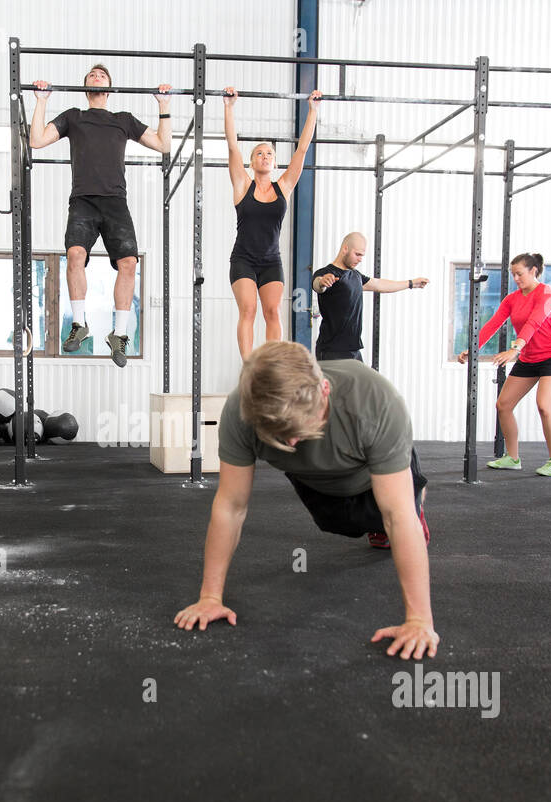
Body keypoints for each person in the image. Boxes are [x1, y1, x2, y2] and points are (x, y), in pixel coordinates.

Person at [173, 342, 438, 661]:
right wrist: (209, 596)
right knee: (338, 523)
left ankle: (415, 491)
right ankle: (369, 517)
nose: (293, 441)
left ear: (324, 390)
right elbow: (231, 506)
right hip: (315, 478)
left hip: (371, 470)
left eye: (300, 427)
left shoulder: (375, 401)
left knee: (392, 514)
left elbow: (397, 515)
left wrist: (420, 620)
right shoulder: (241, 411)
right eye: (280, 434)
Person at [30, 65, 173, 367]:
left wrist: (164, 107)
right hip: (83, 200)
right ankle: (79, 325)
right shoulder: (73, 117)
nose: (97, 77)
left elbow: (164, 145)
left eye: (102, 75)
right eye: (92, 75)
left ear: (109, 89)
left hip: (115, 203)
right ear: (86, 88)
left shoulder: (123, 121)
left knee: (129, 263)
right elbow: (37, 140)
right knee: (75, 254)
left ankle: (119, 335)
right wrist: (42, 100)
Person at [224, 85, 320, 359]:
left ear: (275, 163)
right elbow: (232, 146)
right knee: (249, 310)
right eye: (259, 153)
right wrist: (229, 108)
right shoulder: (242, 184)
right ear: (252, 162)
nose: (264, 156)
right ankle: (248, 367)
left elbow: (301, 151)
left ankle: (270, 365)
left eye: (269, 154)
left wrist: (312, 111)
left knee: (273, 312)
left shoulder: (284, 187)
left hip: (270, 260)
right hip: (243, 258)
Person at [459, 252, 551, 476]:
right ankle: (512, 457)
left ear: (533, 271)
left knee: (544, 406)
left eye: (519, 274)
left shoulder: (546, 293)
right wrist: (472, 349)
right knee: (504, 405)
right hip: (529, 358)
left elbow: (534, 322)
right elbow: (492, 324)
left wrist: (515, 349)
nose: (516, 279)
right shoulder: (512, 299)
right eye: (513, 275)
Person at [313, 232, 429, 362]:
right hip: (332, 351)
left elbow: (379, 285)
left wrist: (411, 283)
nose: (360, 259)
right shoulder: (328, 273)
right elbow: (317, 284)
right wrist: (323, 282)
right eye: (357, 254)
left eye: (362, 256)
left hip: (353, 350)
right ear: (345, 249)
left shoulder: (356, 276)